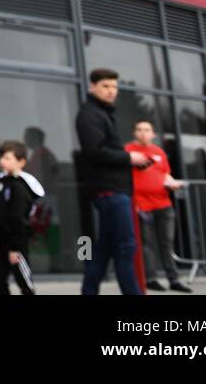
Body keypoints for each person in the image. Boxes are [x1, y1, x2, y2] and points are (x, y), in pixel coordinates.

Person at [76, 68, 149, 295]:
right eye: (105, 86)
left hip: (114, 190)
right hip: (109, 191)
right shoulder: (90, 114)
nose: (111, 91)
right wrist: (130, 157)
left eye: (114, 87)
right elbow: (95, 151)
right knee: (126, 247)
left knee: (104, 250)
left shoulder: (104, 113)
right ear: (92, 87)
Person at [125, 120, 189, 292]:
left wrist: (172, 183)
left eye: (146, 130)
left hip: (163, 203)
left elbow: (165, 174)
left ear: (153, 134)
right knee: (146, 244)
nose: (143, 133)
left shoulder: (159, 151)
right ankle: (151, 278)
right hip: (141, 205)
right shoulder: (128, 151)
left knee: (166, 242)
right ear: (134, 133)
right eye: (139, 129)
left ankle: (173, 279)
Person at [0, 140, 44, 295]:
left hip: (16, 244)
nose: (2, 161)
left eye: (8, 158)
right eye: (2, 157)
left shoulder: (20, 188)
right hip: (2, 240)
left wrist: (15, 248)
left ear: (21, 162)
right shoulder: (4, 180)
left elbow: (19, 220)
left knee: (23, 279)